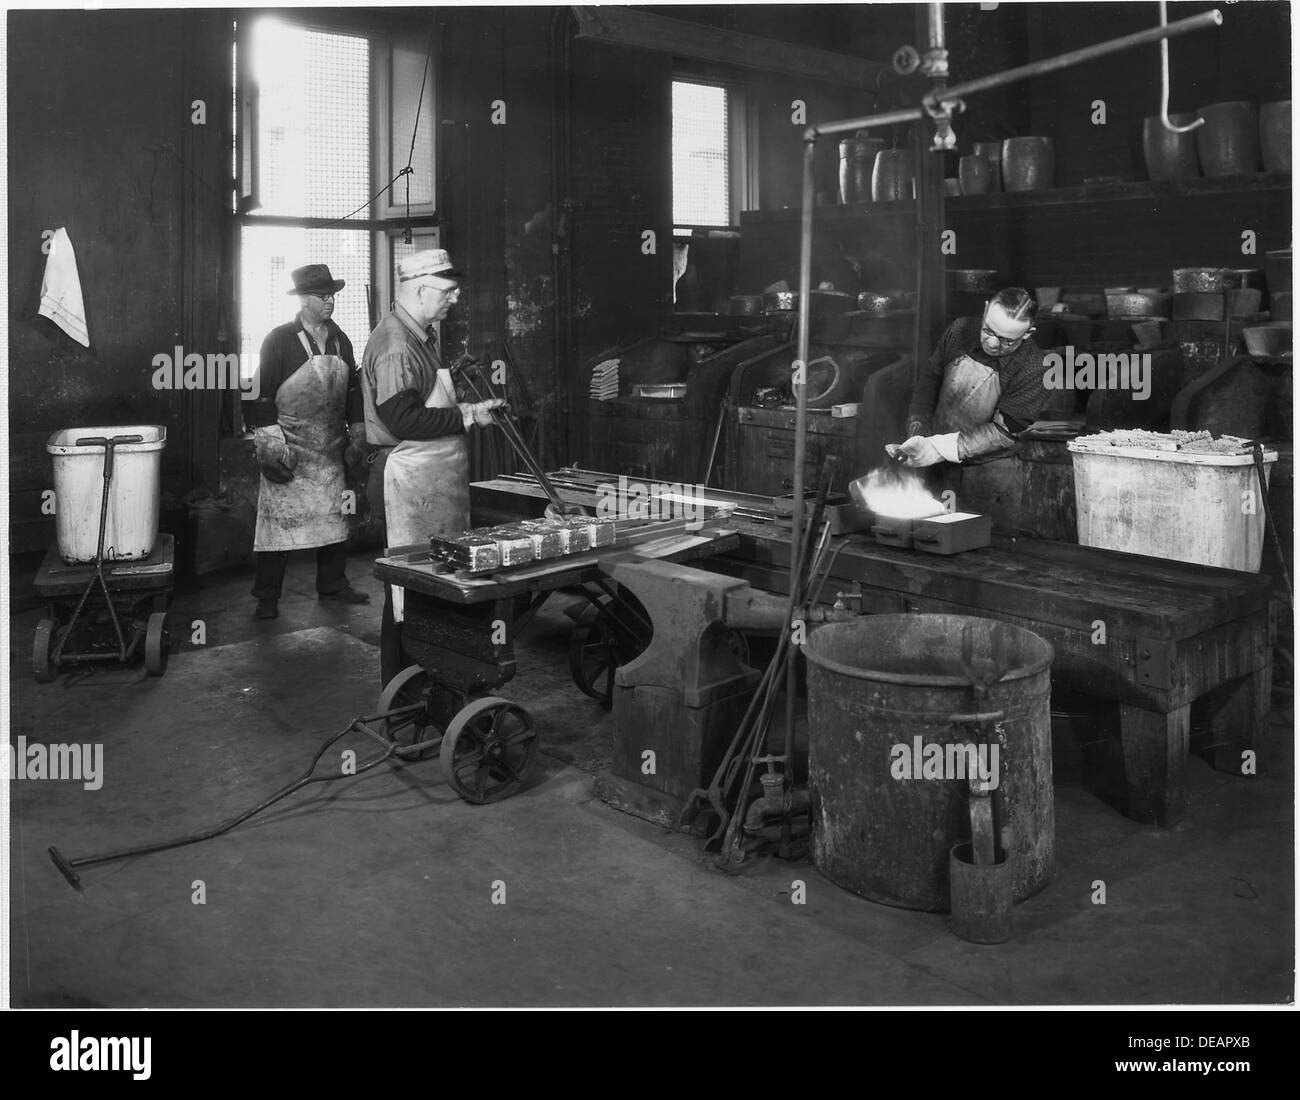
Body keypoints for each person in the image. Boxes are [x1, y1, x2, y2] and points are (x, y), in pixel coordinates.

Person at [359, 249, 504, 684]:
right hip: (404, 480)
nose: (454, 298)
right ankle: (404, 694)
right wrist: (467, 415)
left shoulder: (420, 337)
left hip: (426, 482)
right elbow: (400, 419)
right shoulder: (396, 343)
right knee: (407, 592)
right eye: (447, 291)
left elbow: (421, 402)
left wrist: (466, 403)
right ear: (420, 290)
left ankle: (428, 682)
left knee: (429, 587)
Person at [247, 263, 371, 619]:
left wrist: (358, 432)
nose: (329, 301)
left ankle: (333, 583)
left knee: (336, 517)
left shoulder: (340, 340)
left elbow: (352, 392)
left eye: (331, 295)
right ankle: (267, 596)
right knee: (277, 525)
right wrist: (270, 443)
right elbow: (262, 396)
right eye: (321, 296)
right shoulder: (278, 340)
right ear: (302, 299)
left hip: (331, 446)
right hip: (289, 447)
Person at [891, 287, 1048, 467]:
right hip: (933, 461)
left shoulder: (1036, 367)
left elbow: (1003, 431)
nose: (992, 343)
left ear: (1028, 332)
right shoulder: (959, 330)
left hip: (988, 471)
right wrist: (917, 429)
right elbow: (929, 381)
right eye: (987, 330)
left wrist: (938, 449)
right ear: (986, 309)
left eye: (1006, 340)